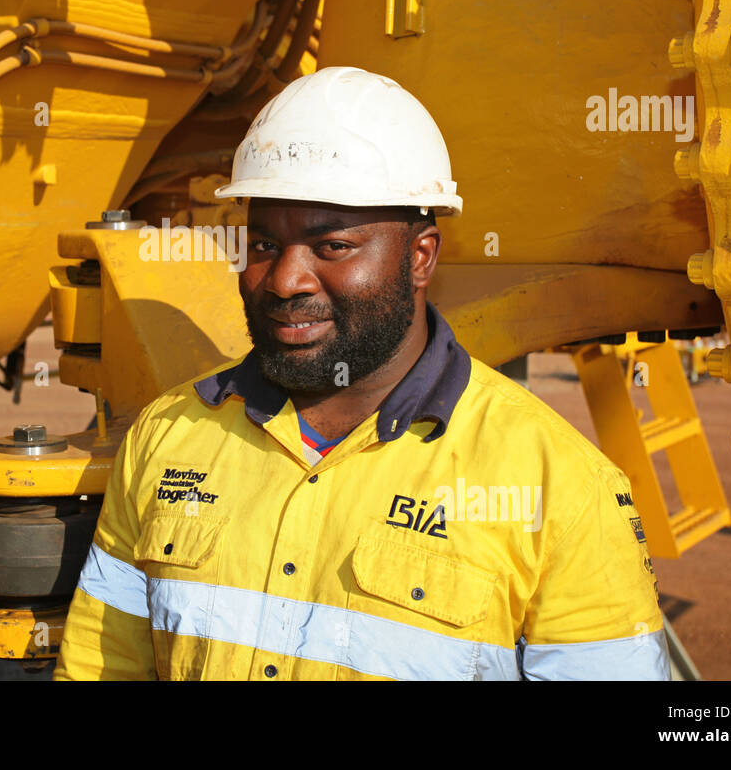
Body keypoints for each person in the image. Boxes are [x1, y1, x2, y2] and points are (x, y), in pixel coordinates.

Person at [55, 66, 668, 681]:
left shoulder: (560, 488)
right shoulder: (168, 435)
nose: (285, 281)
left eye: (333, 246)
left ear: (421, 257)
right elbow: (102, 668)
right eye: (264, 245)